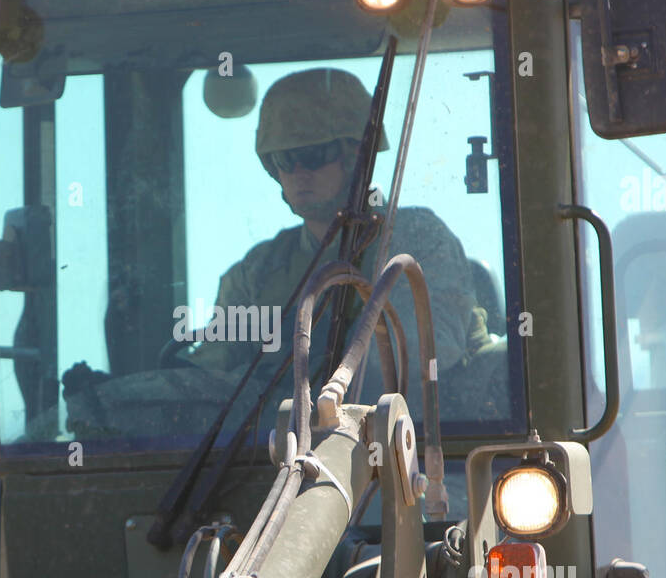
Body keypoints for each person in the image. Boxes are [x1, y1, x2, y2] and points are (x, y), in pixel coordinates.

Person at [189, 67, 492, 413]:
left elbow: (415, 356)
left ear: (355, 158)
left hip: (420, 445)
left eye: (315, 156)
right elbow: (211, 376)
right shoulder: (259, 270)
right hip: (279, 449)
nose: (300, 171)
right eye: (285, 159)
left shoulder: (415, 240)